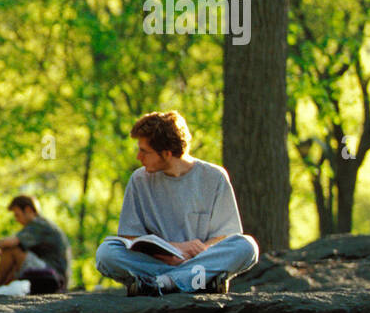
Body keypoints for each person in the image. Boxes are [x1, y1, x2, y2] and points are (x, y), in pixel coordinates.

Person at [94, 110, 259, 295]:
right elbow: (130, 238)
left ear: (166, 153)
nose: (138, 157)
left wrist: (198, 251)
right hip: (159, 262)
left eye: (144, 151)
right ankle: (192, 281)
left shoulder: (214, 177)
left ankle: (163, 283)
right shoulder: (139, 180)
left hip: (200, 259)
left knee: (247, 246)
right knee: (106, 253)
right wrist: (175, 249)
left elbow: (226, 236)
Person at [0, 195, 72, 298]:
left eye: (17, 215)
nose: (16, 219)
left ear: (28, 210)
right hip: (52, 275)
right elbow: (12, 254)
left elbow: (11, 244)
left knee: (11, 249)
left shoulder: (38, 225)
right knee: (11, 253)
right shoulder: (37, 228)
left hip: (55, 277)